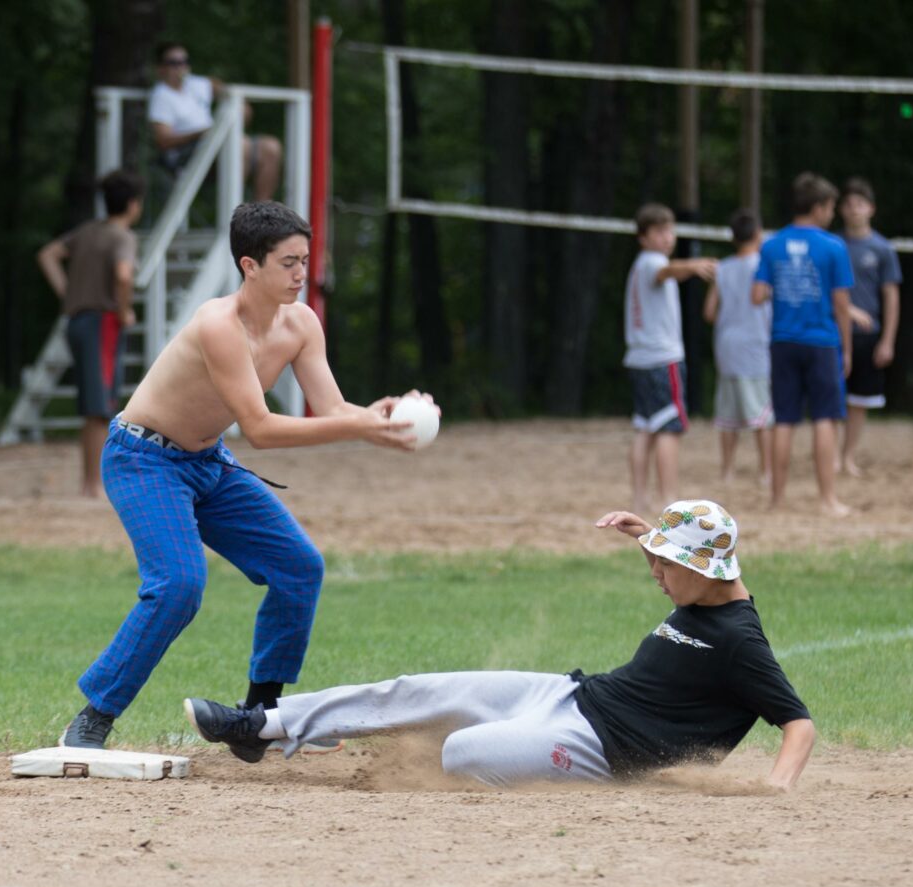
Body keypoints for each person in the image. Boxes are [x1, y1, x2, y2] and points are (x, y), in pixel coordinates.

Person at [59, 200, 430, 752]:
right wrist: (359, 430)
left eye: (304, 260)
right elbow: (260, 428)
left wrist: (382, 415)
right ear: (249, 265)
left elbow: (329, 406)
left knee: (299, 568)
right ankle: (93, 717)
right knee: (178, 586)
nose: (301, 274)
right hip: (144, 460)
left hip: (207, 462)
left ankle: (259, 718)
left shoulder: (301, 323)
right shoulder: (218, 325)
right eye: (287, 262)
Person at [184, 499, 817, 790]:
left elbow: (798, 725)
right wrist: (649, 534)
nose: (654, 570)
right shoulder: (705, 586)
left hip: (600, 750)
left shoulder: (740, 641)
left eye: (665, 563)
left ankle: (358, 735)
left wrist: (776, 789)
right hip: (570, 694)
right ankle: (257, 724)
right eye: (652, 558)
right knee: (418, 691)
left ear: (706, 572)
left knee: (461, 752)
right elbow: (700, 563)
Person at [751, 172, 855, 516]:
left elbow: (757, 295)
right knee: (825, 418)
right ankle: (827, 500)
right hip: (821, 341)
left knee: (785, 421)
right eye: (831, 207)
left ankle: (777, 501)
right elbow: (842, 304)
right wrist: (848, 348)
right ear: (819, 207)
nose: (833, 213)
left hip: (782, 340)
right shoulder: (833, 247)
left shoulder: (771, 244)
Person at [36, 170, 144, 498]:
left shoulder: (86, 232)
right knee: (100, 406)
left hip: (78, 322)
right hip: (103, 323)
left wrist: (67, 293)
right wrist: (124, 310)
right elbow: (123, 276)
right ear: (131, 204)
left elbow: (47, 255)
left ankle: (91, 483)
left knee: (94, 404)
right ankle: (92, 486)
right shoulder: (122, 237)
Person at [623, 203, 717, 514]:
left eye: (670, 230)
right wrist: (692, 266)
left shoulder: (639, 264)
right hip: (662, 360)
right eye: (659, 231)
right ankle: (669, 498)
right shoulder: (653, 262)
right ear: (643, 237)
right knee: (669, 429)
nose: (667, 237)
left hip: (638, 359)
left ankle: (639, 498)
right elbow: (667, 271)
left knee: (645, 428)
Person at [149, 42, 282, 202]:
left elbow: (218, 87)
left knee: (271, 147)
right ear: (161, 68)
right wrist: (202, 133)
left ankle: (262, 212)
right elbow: (163, 141)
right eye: (173, 63)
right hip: (186, 155)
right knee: (240, 144)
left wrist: (237, 103)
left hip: (215, 144)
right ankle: (238, 214)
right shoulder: (161, 95)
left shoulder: (195, 84)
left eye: (185, 62)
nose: (180, 67)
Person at [836, 178, 902, 478]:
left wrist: (887, 339)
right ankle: (831, 456)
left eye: (859, 204)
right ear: (840, 210)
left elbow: (891, 295)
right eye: (849, 204)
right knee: (833, 398)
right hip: (834, 332)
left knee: (859, 401)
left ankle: (847, 457)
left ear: (871, 209)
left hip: (867, 335)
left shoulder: (882, 248)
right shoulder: (833, 245)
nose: (854, 210)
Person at [703, 210, 774, 487]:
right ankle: (765, 471)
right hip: (755, 345)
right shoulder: (763, 265)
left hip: (726, 345)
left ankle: (727, 471)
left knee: (728, 415)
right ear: (757, 234)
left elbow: (709, 312)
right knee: (762, 415)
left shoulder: (723, 267)